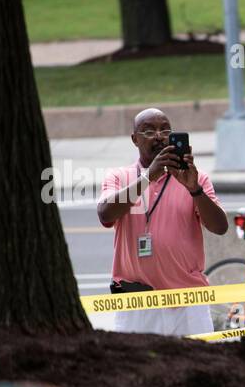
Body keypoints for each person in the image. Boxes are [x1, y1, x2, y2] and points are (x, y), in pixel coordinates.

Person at [97, 107, 228, 337]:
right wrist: (148, 177)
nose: (158, 136)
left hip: (188, 301)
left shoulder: (195, 178)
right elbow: (106, 214)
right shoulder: (119, 177)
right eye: (148, 131)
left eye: (165, 130)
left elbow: (220, 227)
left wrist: (195, 189)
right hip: (136, 302)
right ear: (134, 139)